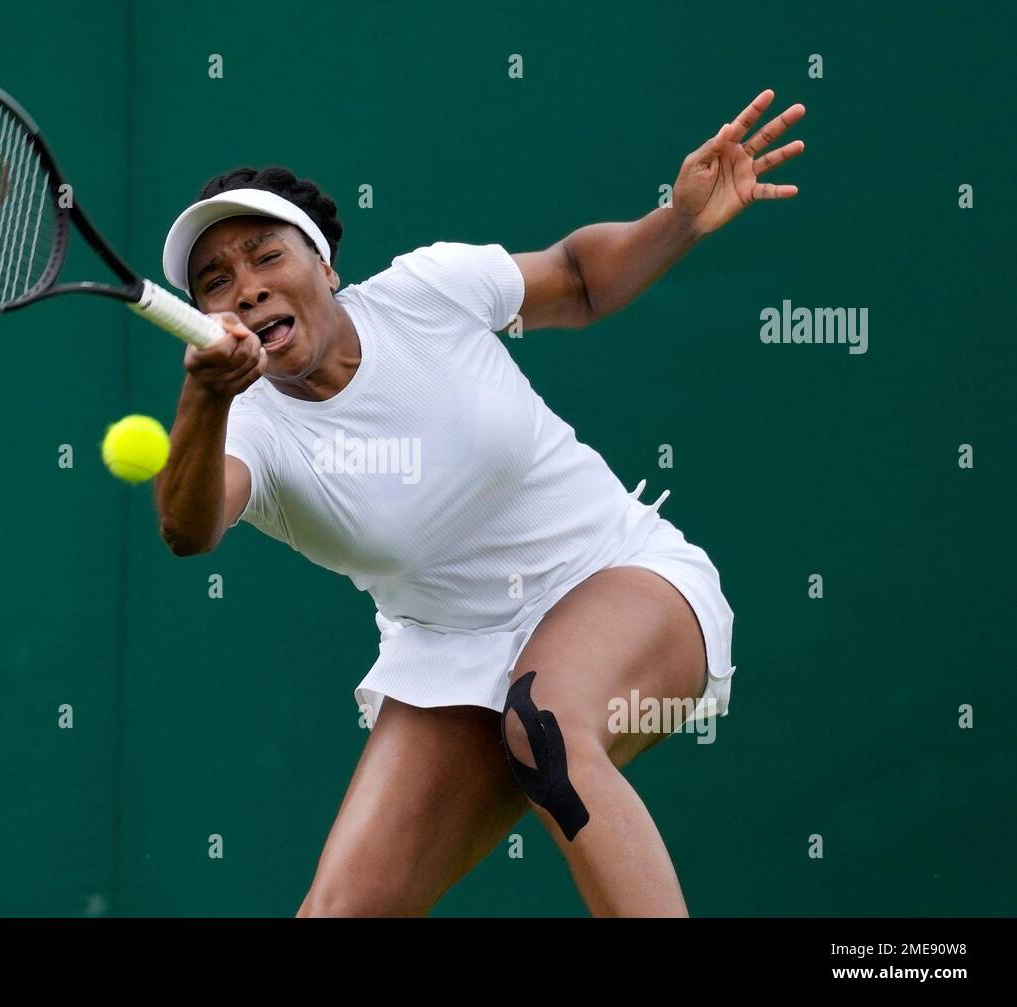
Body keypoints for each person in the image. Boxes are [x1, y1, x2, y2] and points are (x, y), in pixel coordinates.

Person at [154, 88, 805, 917]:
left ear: (324, 265)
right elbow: (189, 528)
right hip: (452, 658)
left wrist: (675, 219)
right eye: (216, 281)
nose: (244, 288)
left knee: (548, 727)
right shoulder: (247, 425)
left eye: (265, 256)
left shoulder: (427, 290)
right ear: (204, 317)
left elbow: (577, 279)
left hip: (619, 573)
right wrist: (204, 402)